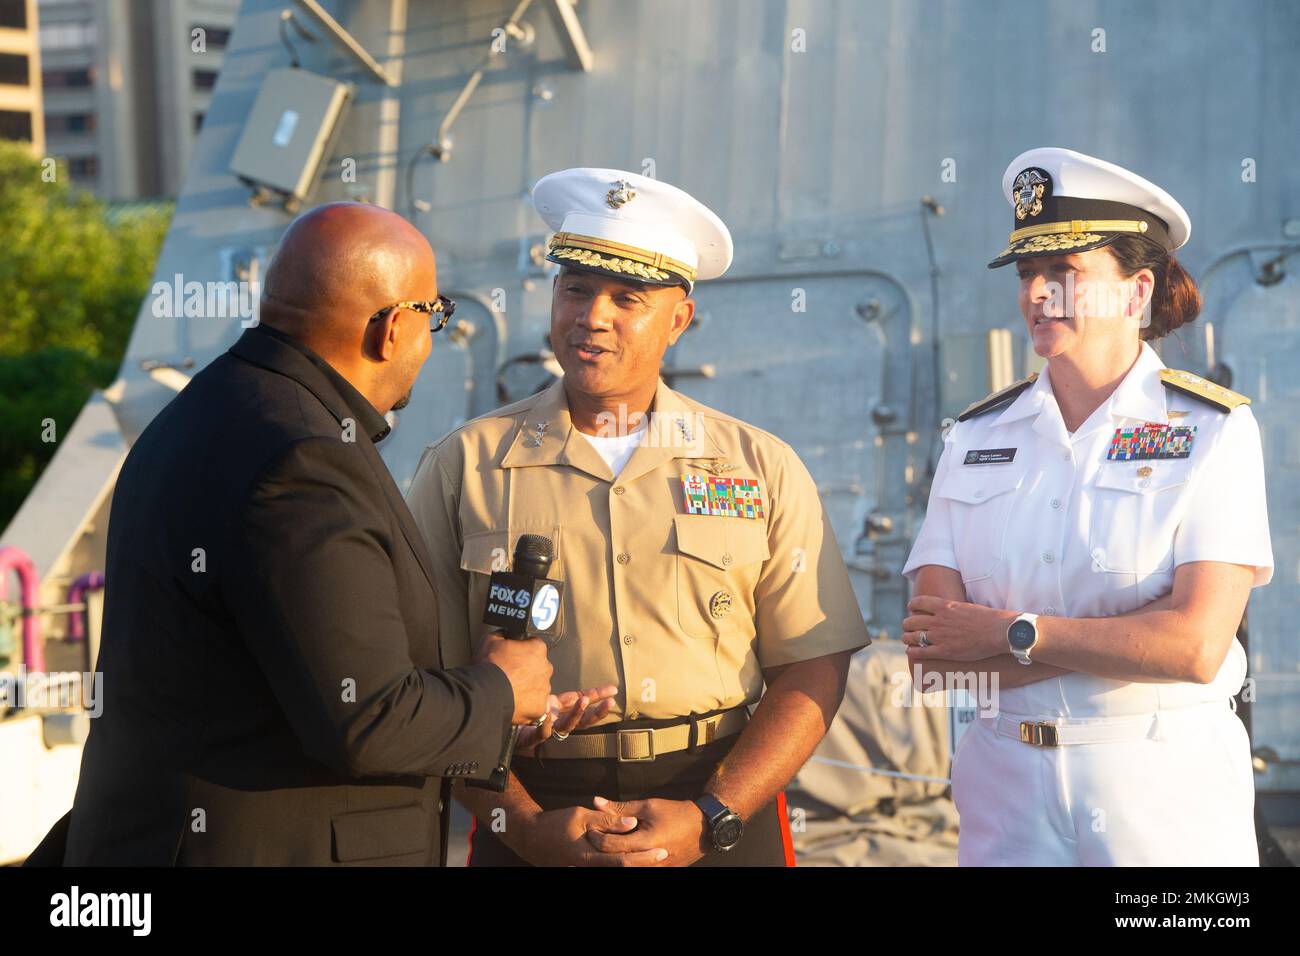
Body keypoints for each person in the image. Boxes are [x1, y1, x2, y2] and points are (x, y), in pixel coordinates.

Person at [58, 203, 560, 866]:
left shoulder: (203, 412)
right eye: (433, 317)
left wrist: (474, 707)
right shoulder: (306, 460)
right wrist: (503, 691)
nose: (430, 341)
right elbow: (367, 719)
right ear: (391, 329)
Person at [406, 168, 870, 866]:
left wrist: (716, 812)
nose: (593, 316)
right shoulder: (462, 467)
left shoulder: (758, 467)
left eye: (628, 297)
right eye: (577, 288)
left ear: (678, 320)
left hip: (717, 799)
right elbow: (420, 678)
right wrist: (523, 825)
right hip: (529, 797)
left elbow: (812, 666)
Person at [901, 148, 1272, 866]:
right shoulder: (974, 438)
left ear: (1136, 294)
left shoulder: (1210, 430)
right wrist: (1123, 638)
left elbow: (1193, 648)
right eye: (1027, 274)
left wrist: (1007, 633)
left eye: (1064, 273)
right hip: (1005, 798)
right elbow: (932, 661)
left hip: (1161, 795)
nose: (1037, 293)